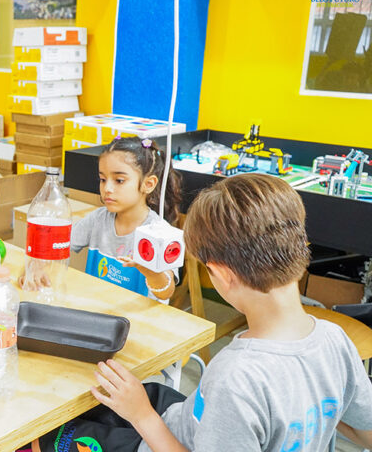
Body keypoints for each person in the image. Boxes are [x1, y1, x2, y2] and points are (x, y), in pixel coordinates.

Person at [32, 174, 372, 452]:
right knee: (131, 396)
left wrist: (142, 416)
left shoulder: (235, 377)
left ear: (222, 275)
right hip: (186, 421)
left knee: (49, 434)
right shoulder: (334, 340)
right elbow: (364, 429)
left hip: (161, 439)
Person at [22, 136, 181, 302]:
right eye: (103, 179)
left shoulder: (160, 233)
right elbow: (57, 246)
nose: (107, 188)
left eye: (119, 180)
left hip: (137, 322)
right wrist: (34, 267)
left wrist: (150, 272)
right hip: (98, 312)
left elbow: (166, 292)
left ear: (148, 184)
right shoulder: (98, 219)